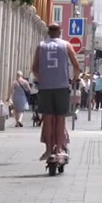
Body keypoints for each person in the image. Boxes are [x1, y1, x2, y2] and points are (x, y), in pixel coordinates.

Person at [33, 23, 77, 163]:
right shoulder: (66, 45)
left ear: (48, 32)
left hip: (45, 87)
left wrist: (42, 79)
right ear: (59, 32)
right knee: (60, 118)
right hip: (62, 86)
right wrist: (73, 79)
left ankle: (48, 149)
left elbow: (34, 68)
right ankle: (58, 150)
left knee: (47, 118)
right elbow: (76, 65)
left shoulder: (40, 46)